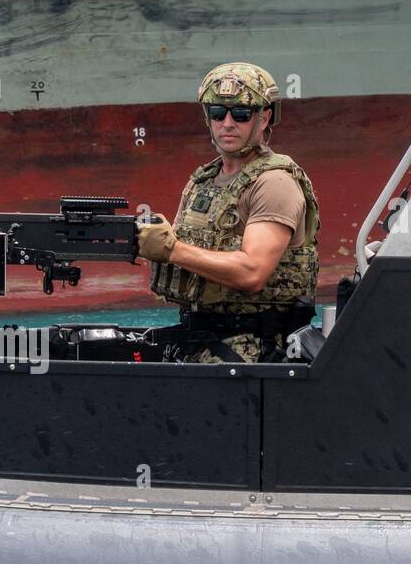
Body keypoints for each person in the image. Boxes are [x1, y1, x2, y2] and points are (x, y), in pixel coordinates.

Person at [135, 62, 320, 363]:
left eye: (242, 114)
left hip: (252, 350)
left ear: (264, 118)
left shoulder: (274, 183)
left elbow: (252, 273)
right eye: (218, 113)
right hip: (200, 339)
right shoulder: (204, 180)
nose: (228, 123)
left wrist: (171, 249)